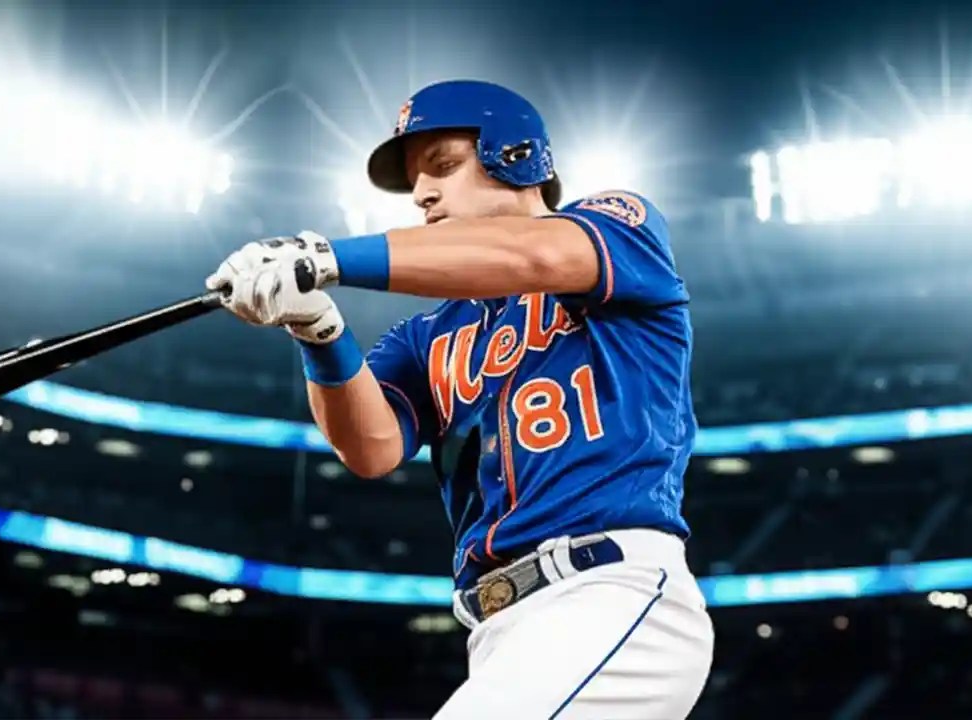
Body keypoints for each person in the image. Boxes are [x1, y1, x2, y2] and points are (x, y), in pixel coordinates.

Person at [206, 79, 714, 719]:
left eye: (443, 166)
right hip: (498, 629)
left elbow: (535, 253)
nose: (421, 194)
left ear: (519, 157)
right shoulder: (428, 333)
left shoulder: (618, 225)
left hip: (609, 591)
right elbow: (373, 447)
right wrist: (318, 329)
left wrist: (326, 257)